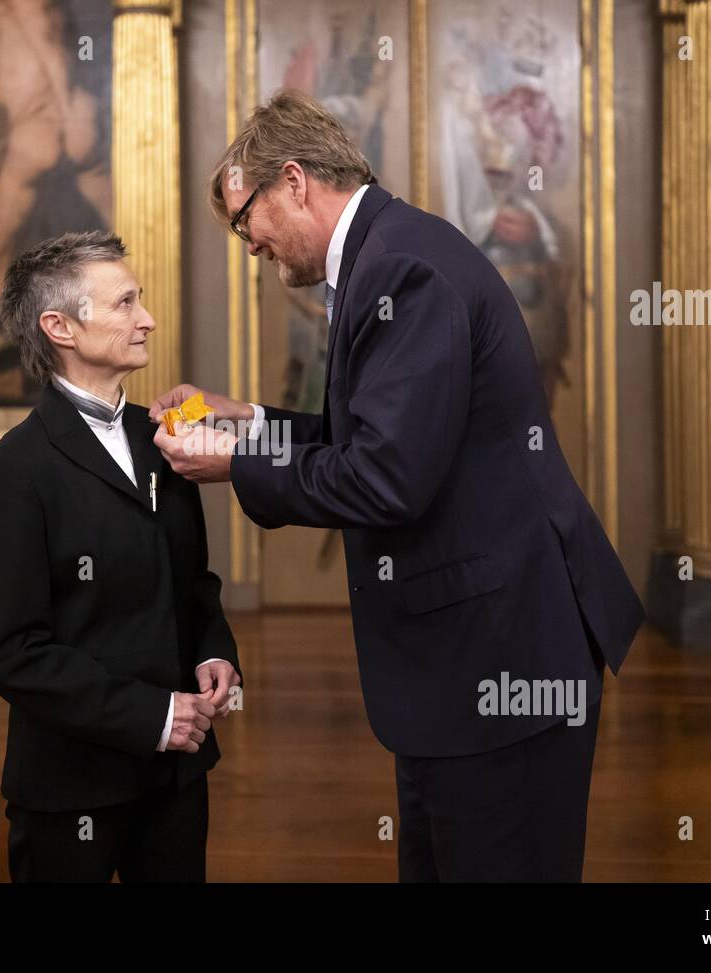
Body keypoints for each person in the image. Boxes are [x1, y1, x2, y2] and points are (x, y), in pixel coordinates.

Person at [152, 89, 644, 882]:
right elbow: (377, 440)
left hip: (500, 659)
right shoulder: (391, 252)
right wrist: (245, 423)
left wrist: (229, 464)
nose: (249, 247)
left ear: (293, 182)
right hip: (472, 664)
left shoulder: (401, 270)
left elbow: (386, 479)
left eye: (246, 221)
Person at [0, 230, 240, 882]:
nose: (146, 319)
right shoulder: (12, 472)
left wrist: (214, 649)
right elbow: (10, 651)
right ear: (60, 326)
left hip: (176, 777)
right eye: (124, 304)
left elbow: (193, 582)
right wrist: (153, 715)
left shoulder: (163, 441)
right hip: (70, 788)